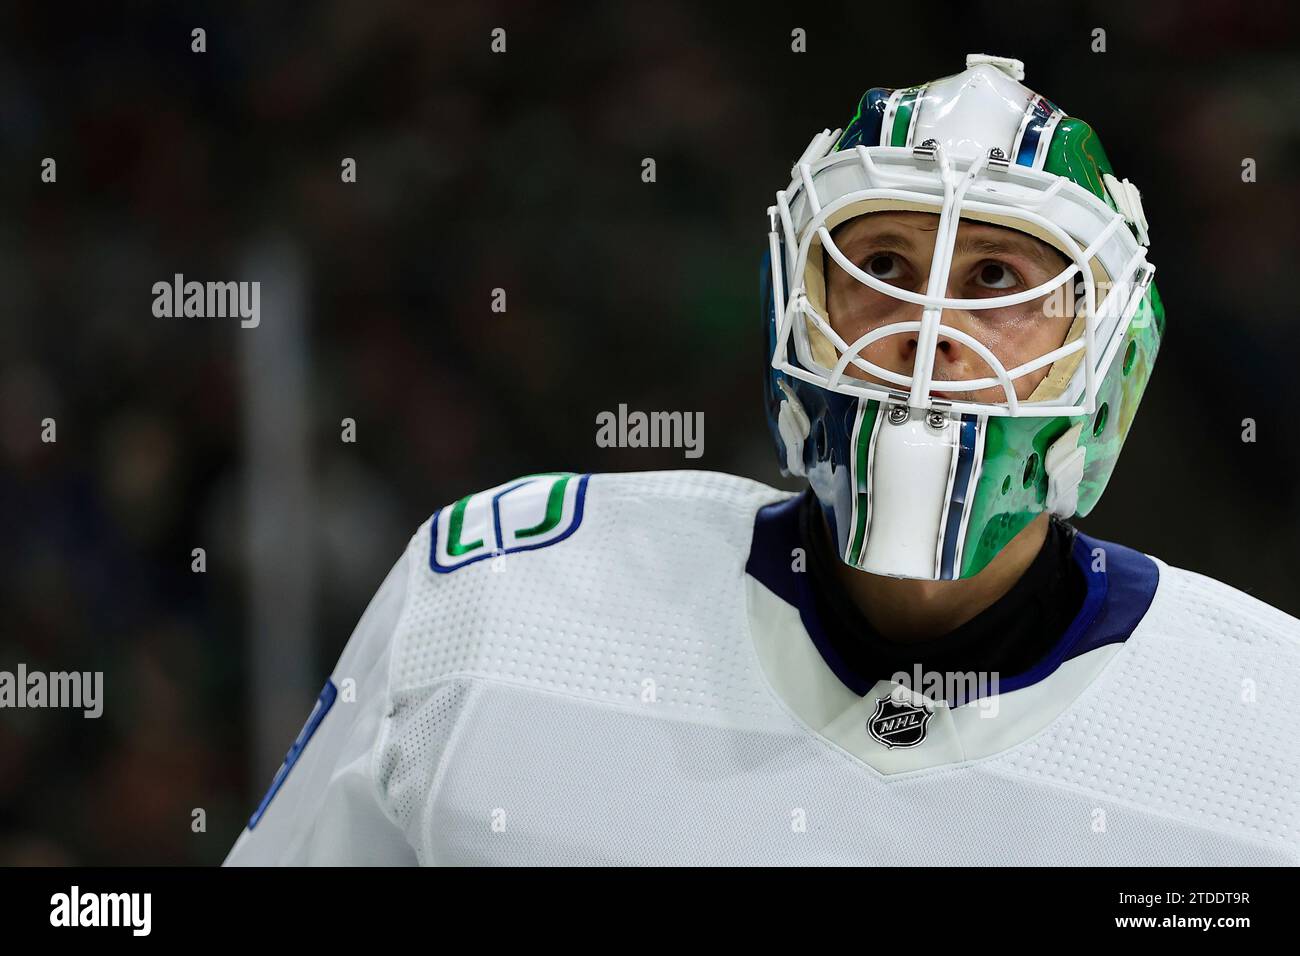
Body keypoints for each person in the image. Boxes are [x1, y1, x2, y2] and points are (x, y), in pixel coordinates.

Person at [225, 54, 1300, 866]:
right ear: (797, 305)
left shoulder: (1267, 729)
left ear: (1107, 358)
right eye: (883, 264)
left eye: (995, 280)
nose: (927, 331)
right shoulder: (498, 600)